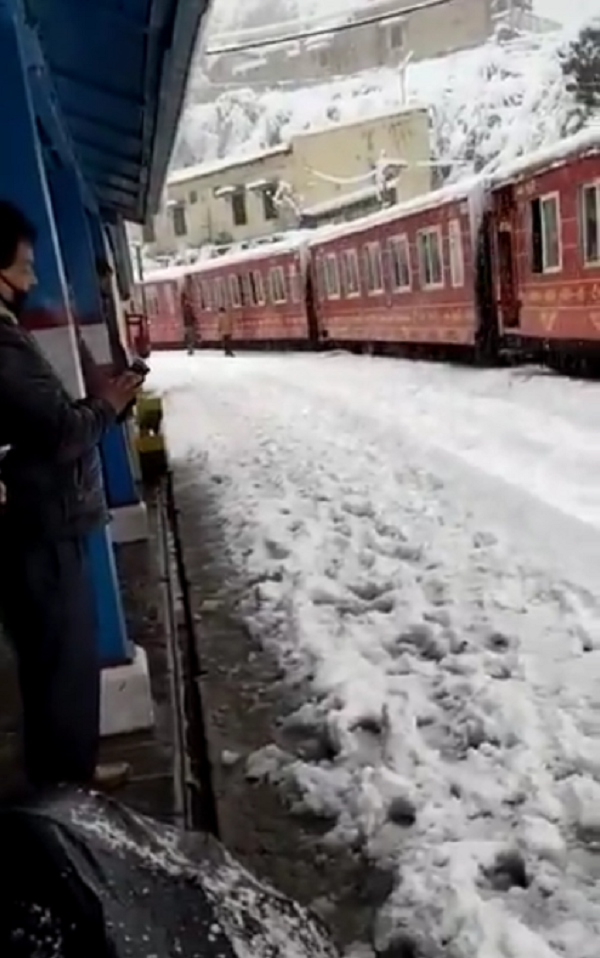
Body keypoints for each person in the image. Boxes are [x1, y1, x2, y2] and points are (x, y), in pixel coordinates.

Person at [0, 199, 143, 793]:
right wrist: (108, 403)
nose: (32, 279)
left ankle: (68, 779)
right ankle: (66, 795)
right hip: (42, 529)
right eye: (25, 266)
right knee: (62, 667)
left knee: (53, 665)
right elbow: (60, 432)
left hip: (36, 524)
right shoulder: (2, 345)